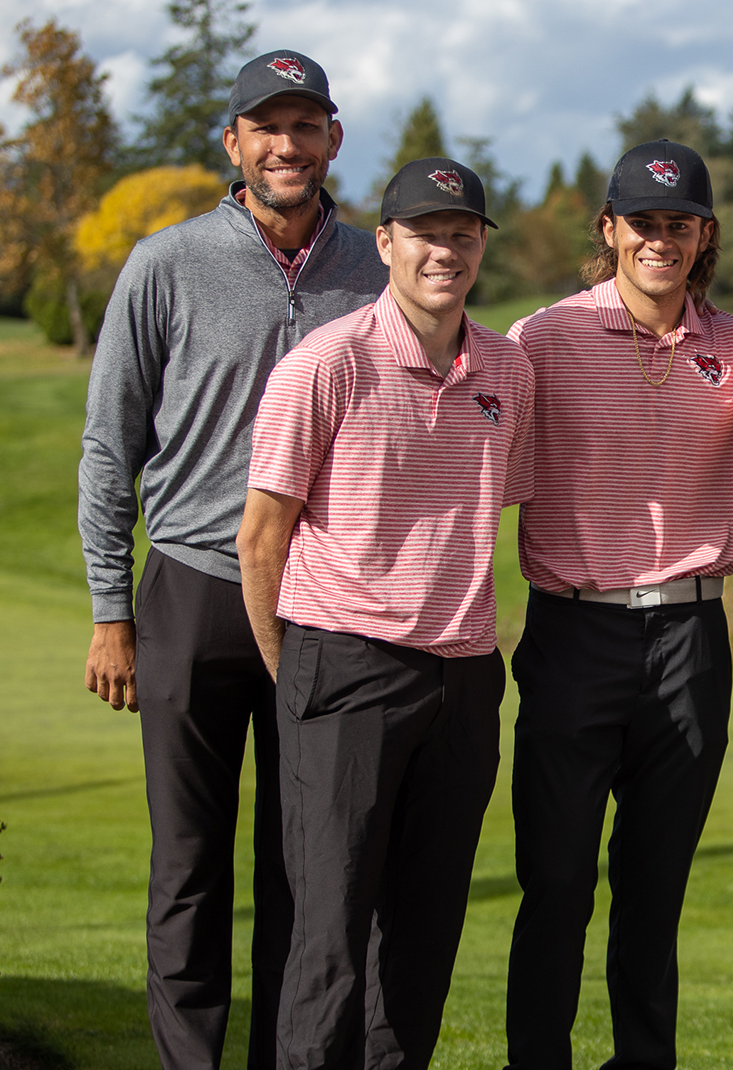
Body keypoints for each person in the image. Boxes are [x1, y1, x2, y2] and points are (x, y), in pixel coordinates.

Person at [77, 49, 385, 1070]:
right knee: (190, 866)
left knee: (310, 868)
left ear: (332, 139)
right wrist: (111, 610)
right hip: (194, 591)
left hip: (323, 602)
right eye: (267, 127)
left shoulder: (377, 272)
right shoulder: (166, 265)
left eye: (305, 126)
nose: (286, 145)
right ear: (233, 142)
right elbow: (111, 447)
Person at [236, 156, 533, 1070]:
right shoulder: (326, 364)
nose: (444, 250)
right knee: (328, 936)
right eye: (424, 233)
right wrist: (301, 674)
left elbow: (495, 505)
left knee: (424, 935)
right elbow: (261, 538)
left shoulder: (509, 369)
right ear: (385, 243)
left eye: (461, 233)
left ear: (480, 244)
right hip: (345, 663)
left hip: (464, 678)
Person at [501, 139, 733, 1070]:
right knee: (558, 882)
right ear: (609, 230)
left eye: (679, 224)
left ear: (704, 236)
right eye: (642, 222)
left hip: (691, 634)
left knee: (655, 889)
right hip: (575, 631)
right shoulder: (541, 340)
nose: (661, 240)